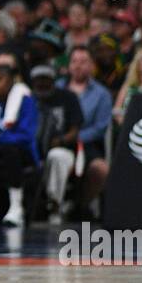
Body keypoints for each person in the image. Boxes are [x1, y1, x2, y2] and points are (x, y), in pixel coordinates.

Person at [0, 62, 40, 227]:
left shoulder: (25, 101)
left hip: (23, 152)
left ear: (11, 81)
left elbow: (26, 135)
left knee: (9, 149)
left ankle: (16, 207)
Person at [59, 47, 112, 219]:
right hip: (59, 142)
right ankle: (54, 207)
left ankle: (81, 205)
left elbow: (100, 127)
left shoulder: (101, 93)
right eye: (74, 61)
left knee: (101, 169)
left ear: (91, 65)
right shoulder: (58, 87)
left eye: (83, 62)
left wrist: (76, 138)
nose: (78, 66)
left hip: (87, 143)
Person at [30, 64, 83, 225]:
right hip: (31, 147)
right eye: (39, 81)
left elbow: (75, 130)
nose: (42, 84)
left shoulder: (68, 97)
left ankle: (55, 205)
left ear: (54, 81)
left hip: (63, 148)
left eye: (46, 80)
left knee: (56, 156)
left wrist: (60, 140)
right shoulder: (28, 99)